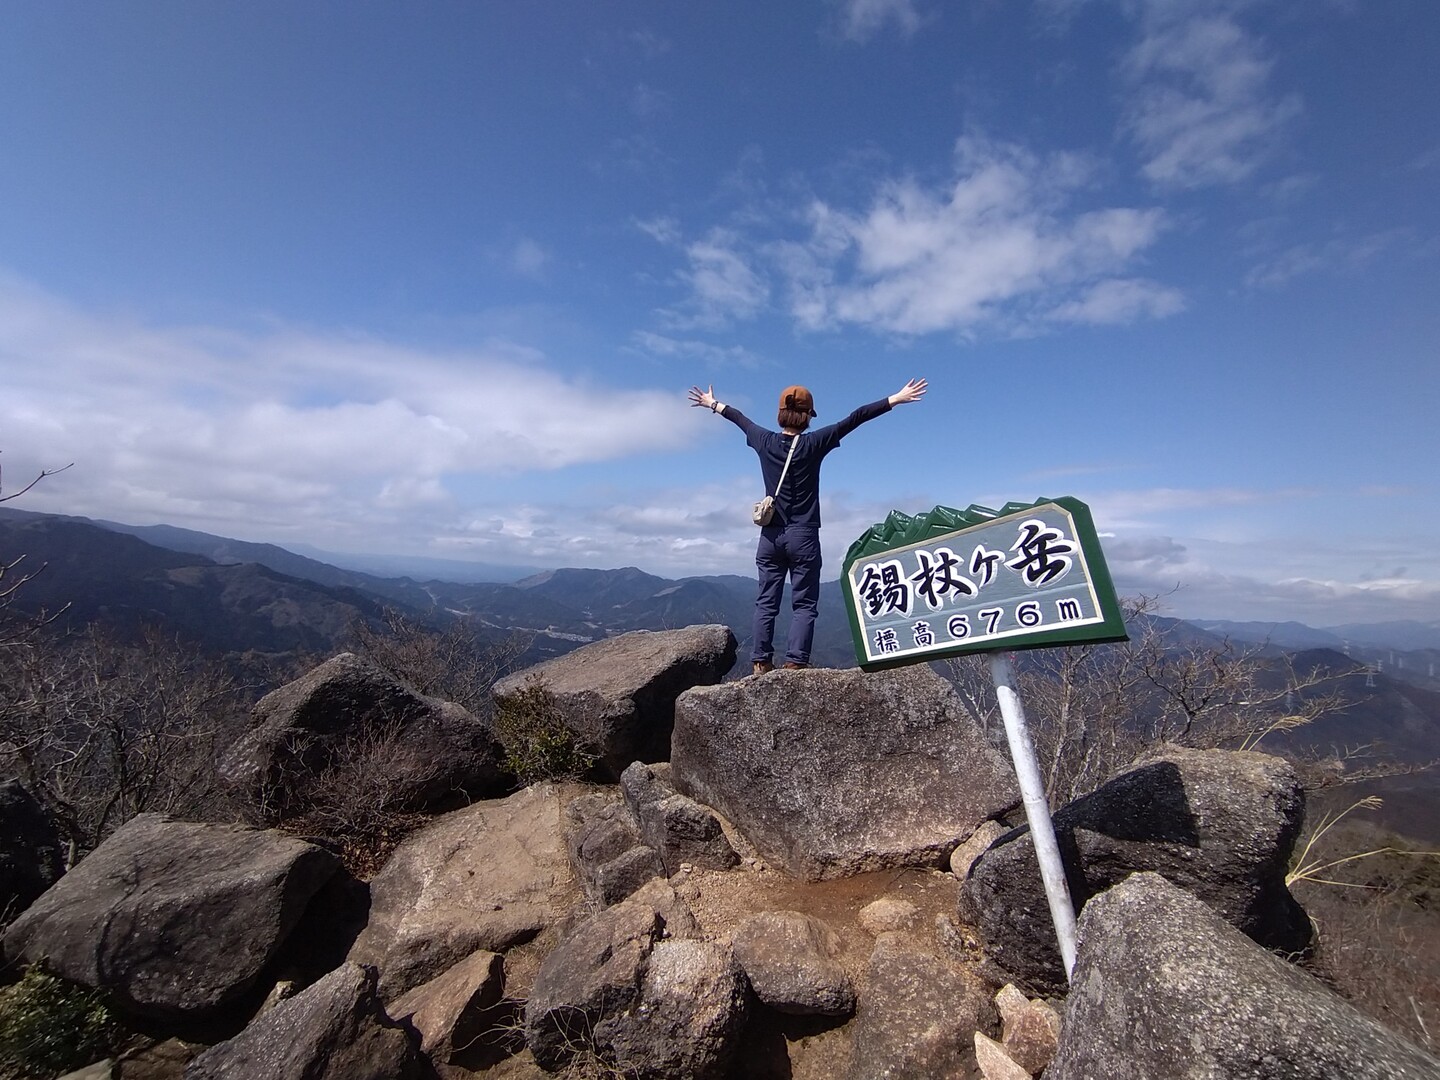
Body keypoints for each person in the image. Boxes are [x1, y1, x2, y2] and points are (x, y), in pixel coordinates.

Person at [688, 378, 928, 675]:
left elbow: (739, 418)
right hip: (804, 535)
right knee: (804, 605)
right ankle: (794, 664)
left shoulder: (764, 440)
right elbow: (855, 418)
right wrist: (895, 398)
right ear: (807, 415)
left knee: (766, 602)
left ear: (780, 414)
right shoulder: (815, 443)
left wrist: (713, 404)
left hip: (771, 535)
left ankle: (760, 661)